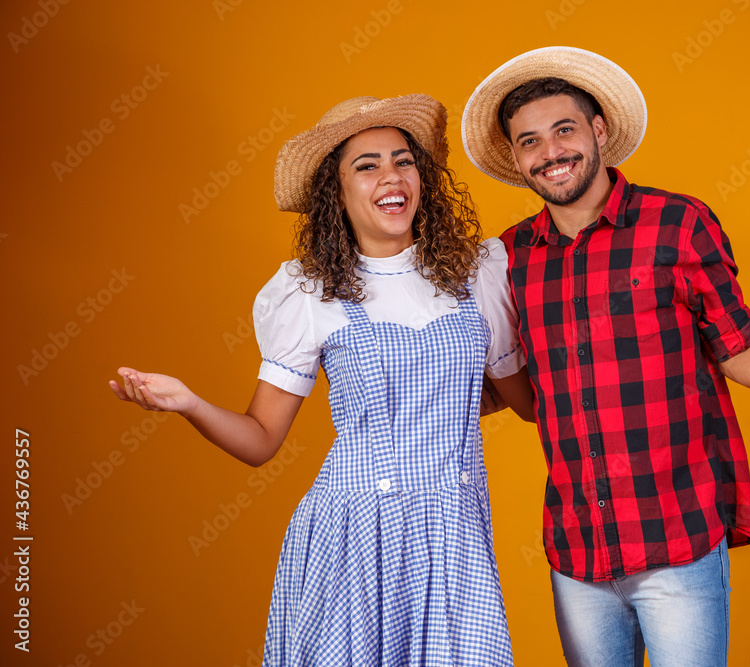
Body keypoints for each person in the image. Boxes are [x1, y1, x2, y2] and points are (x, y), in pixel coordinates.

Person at [461, 47, 750, 667]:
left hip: (676, 536)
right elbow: (523, 392)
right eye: (530, 140)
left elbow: (736, 348)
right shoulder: (509, 259)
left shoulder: (676, 223)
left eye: (565, 129)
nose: (551, 151)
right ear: (517, 159)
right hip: (578, 550)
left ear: (598, 131)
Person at [109, 94, 534, 666]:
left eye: (403, 160)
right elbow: (261, 439)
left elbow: (525, 402)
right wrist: (189, 403)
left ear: (423, 177)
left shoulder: (477, 273)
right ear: (336, 192)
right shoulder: (311, 294)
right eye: (367, 165)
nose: (391, 176)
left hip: (452, 536)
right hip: (349, 537)